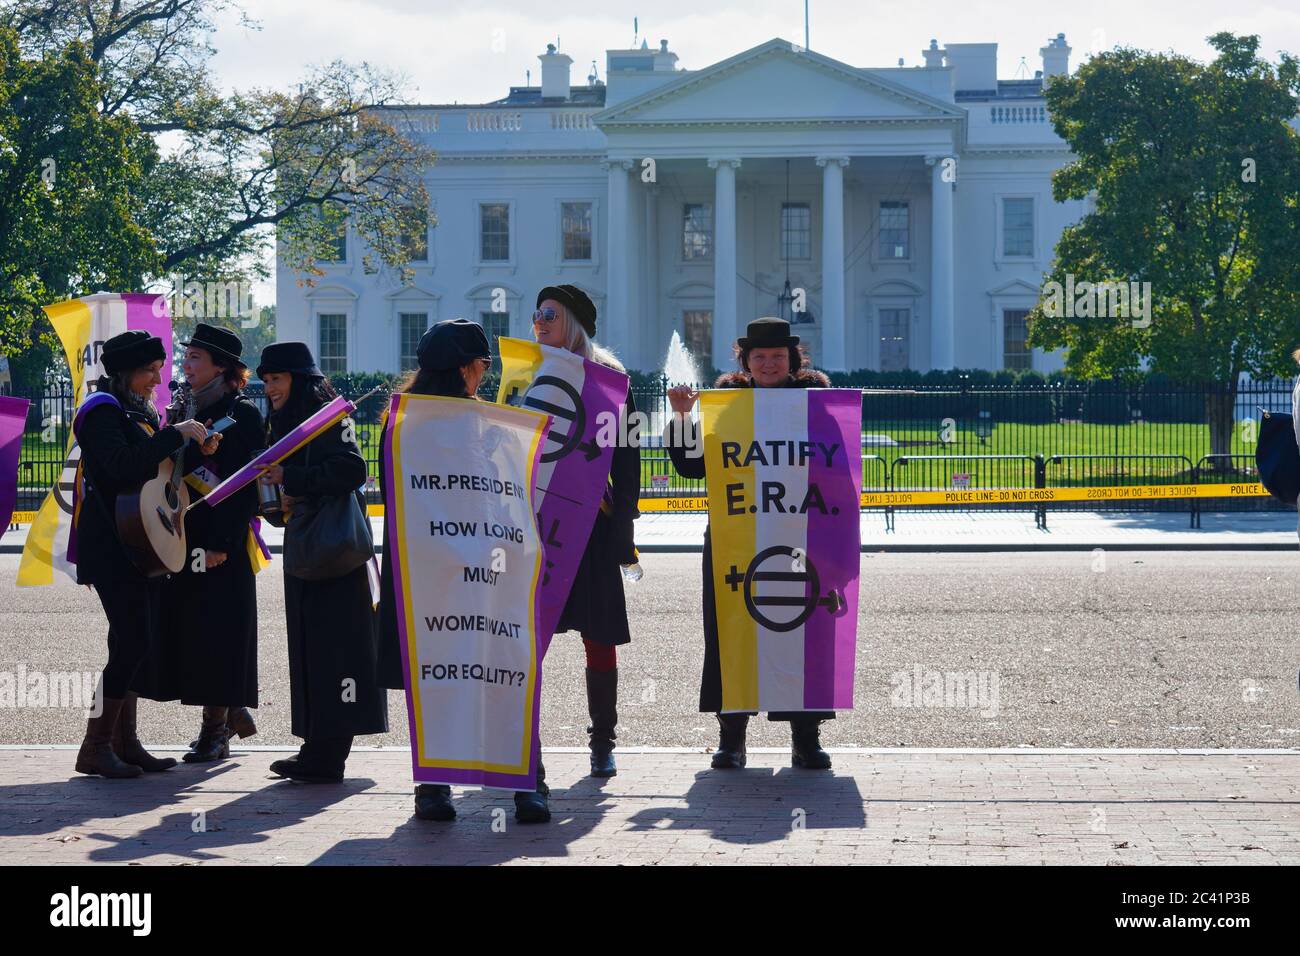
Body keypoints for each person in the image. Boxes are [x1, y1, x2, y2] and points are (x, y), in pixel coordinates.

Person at [376, 318, 551, 823]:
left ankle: (435, 790)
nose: (485, 374)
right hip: (479, 569)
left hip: (430, 569)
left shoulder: (402, 420)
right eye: (483, 366)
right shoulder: (479, 424)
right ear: (465, 369)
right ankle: (526, 786)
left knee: (440, 671)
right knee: (504, 668)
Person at [664, 317, 835, 770]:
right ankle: (732, 736)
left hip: (801, 538)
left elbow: (836, 471)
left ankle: (806, 738)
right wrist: (682, 417)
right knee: (731, 634)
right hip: (734, 541)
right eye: (759, 357)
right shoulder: (728, 405)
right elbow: (692, 468)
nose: (769, 364)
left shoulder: (815, 404)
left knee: (803, 632)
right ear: (745, 362)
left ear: (793, 360)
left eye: (778, 357)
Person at [72, 330, 214, 777]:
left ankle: (124, 743)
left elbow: (156, 472)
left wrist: (196, 448)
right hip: (112, 545)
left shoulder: (140, 410)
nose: (157, 379)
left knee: (131, 642)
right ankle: (96, 747)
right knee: (132, 640)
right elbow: (121, 468)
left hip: (140, 542)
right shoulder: (101, 411)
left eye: (158, 369)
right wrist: (174, 433)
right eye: (149, 371)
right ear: (125, 371)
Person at [256, 342, 388, 782]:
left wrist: (292, 478)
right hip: (304, 550)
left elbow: (353, 470)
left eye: (277, 379)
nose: (270, 387)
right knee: (310, 650)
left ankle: (329, 754)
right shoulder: (280, 422)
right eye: (266, 380)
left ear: (299, 379)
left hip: (337, 555)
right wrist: (275, 500)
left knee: (337, 654)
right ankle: (315, 745)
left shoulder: (330, 417)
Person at [134, 323, 264, 763]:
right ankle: (231, 710)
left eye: (195, 359)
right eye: (185, 357)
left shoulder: (242, 413)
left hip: (219, 540)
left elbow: (244, 485)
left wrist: (223, 542)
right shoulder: (181, 408)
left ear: (222, 368)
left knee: (220, 632)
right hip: (182, 535)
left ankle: (215, 732)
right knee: (193, 631)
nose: (185, 365)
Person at [531, 285, 640, 777]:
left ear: (571, 323)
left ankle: (602, 741)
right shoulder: (526, 375)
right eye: (535, 314)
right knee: (526, 638)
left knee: (599, 638)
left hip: (590, 526)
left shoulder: (612, 382)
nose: (538, 321)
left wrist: (622, 523)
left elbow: (631, 460)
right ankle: (520, 742)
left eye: (548, 314)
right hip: (533, 524)